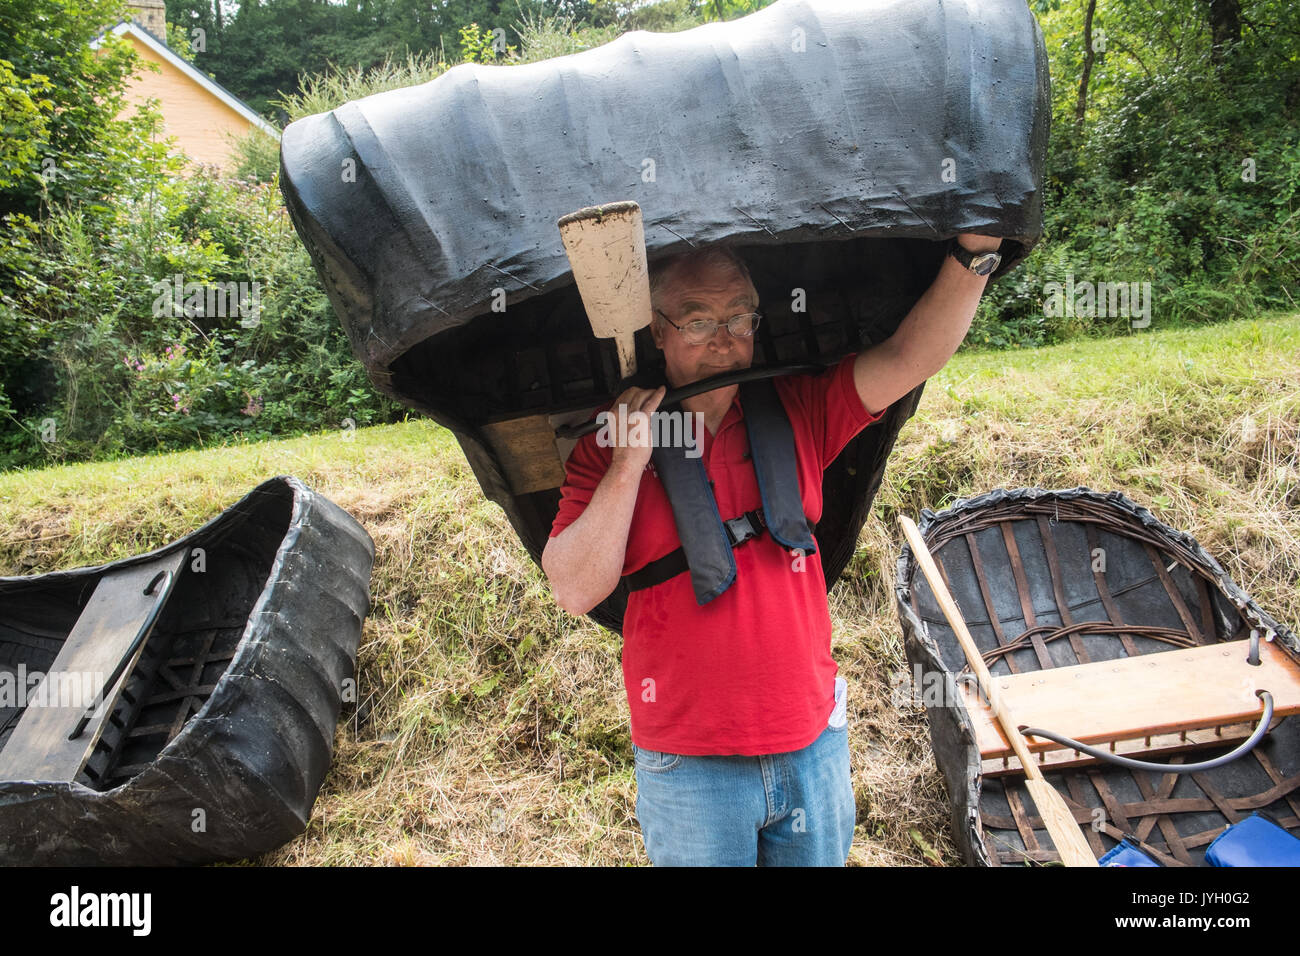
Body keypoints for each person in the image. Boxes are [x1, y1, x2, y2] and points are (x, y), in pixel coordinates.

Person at [541, 234, 1002, 865]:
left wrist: (974, 255)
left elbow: (909, 356)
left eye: (739, 318)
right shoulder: (608, 442)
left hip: (811, 743)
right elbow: (574, 588)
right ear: (658, 331)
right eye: (700, 320)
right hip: (690, 766)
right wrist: (628, 463)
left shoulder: (800, 409)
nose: (724, 339)